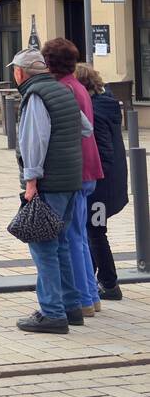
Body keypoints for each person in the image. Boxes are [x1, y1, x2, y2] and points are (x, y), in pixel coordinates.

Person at [12, 46, 88, 334]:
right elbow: (85, 128)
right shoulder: (63, 91)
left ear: (21, 72)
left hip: (49, 182)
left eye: (14, 71)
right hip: (70, 180)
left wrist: (31, 182)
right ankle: (71, 307)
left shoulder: (35, 96)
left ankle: (53, 313)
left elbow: (34, 141)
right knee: (62, 244)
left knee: (43, 247)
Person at [44, 38, 103, 317]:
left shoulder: (63, 89)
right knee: (78, 236)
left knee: (71, 237)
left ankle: (81, 298)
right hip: (87, 167)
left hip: (74, 170)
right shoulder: (77, 85)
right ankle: (89, 295)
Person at [76, 64, 128, 304]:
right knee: (92, 232)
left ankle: (109, 283)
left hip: (102, 185)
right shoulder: (106, 104)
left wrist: (93, 180)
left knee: (95, 233)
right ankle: (98, 279)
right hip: (113, 180)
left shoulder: (95, 111)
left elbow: (103, 152)